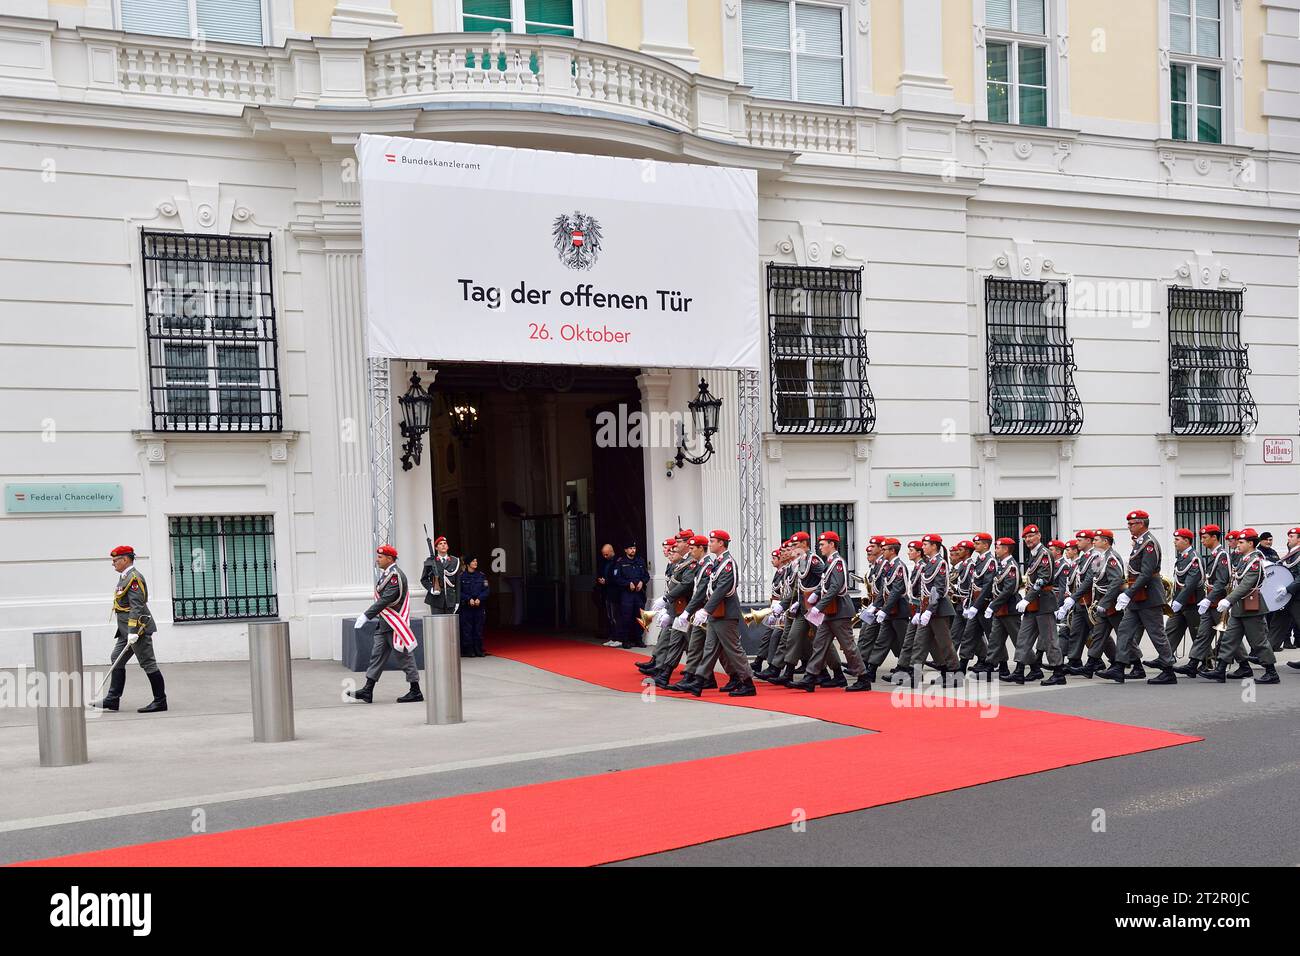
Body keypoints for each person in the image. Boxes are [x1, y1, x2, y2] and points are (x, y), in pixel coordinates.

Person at [1100, 509, 1177, 685]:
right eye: (1128, 524)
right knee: (1125, 631)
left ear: (1141, 523)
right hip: (1137, 595)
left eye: (1131, 524)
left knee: (1156, 633)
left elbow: (1147, 572)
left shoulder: (1149, 543)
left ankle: (1168, 669)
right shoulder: (1140, 542)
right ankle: (1119, 667)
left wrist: (1127, 593)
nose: (1129, 527)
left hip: (1149, 595)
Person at [677, 530, 756, 697]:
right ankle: (698, 681)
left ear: (721, 543)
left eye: (712, 541)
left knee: (734, 649)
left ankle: (748, 683)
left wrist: (705, 610)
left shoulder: (728, 563)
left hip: (726, 614)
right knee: (710, 648)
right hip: (717, 613)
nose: (710, 543)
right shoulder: (718, 563)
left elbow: (722, 589)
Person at [90, 545, 168, 713]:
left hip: (137, 629)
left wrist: (133, 631)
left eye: (115, 560)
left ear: (125, 560)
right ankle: (112, 699)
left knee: (148, 663)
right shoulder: (124, 577)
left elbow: (137, 606)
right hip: (126, 631)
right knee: (116, 657)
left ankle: (160, 701)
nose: (113, 564)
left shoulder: (133, 578)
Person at [791, 531, 871, 692]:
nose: (819, 547)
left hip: (840, 611)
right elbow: (825, 582)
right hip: (829, 611)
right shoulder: (829, 562)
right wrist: (816, 593)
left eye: (822, 544)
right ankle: (810, 677)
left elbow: (835, 586)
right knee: (819, 644)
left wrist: (818, 607)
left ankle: (863, 678)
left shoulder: (837, 562)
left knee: (848, 646)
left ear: (832, 544)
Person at [1201, 529, 1280, 684]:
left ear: (1250, 543)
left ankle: (1271, 672)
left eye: (1241, 542)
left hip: (1251, 607)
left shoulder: (1255, 561)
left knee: (1258, 642)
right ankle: (1220, 670)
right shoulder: (1244, 559)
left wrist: (1228, 600)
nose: (1238, 544)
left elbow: (1246, 585)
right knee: (1229, 639)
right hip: (1239, 607)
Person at [348, 544, 423, 704]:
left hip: (395, 624)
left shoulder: (395, 576)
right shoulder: (386, 575)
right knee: (376, 656)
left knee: (404, 657)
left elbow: (386, 599)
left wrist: (366, 615)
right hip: (384, 624)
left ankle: (415, 690)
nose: (377, 559)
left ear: (390, 559)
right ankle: (368, 690)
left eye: (380, 557)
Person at [1175, 524, 1232, 677]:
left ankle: (1245, 664)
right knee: (1203, 634)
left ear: (1214, 537)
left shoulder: (1221, 555)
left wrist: (1208, 599)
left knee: (1231, 636)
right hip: (1210, 602)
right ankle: (1193, 664)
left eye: (1205, 538)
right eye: (1201, 538)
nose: (1202, 541)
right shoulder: (1214, 555)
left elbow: (1221, 581)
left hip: (1218, 602)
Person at [910, 533, 960, 685]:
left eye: (926, 545)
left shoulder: (940, 563)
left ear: (934, 546)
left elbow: (938, 589)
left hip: (938, 610)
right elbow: (923, 589)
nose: (923, 547)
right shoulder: (929, 563)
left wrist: (930, 610)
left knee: (945, 644)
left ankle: (954, 675)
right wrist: (920, 611)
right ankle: (915, 675)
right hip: (926, 608)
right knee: (920, 642)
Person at [1162, 529, 1203, 664]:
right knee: (1171, 630)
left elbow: (1191, 583)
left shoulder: (1194, 558)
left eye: (1177, 539)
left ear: (1186, 540)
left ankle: (1205, 661)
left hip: (1192, 603)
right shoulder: (1183, 557)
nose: (1174, 542)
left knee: (1197, 634)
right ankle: (1165, 658)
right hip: (1180, 603)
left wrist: (1179, 601)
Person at [1267, 526, 1300, 652]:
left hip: (1296, 597)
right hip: (1286, 597)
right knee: (1277, 624)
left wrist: (1288, 589)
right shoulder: (1291, 554)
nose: (1288, 539)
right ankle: (1265, 655)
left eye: (1292, 536)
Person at [611, 542, 649, 648]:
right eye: (630, 548)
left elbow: (646, 575)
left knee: (641, 616)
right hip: (626, 594)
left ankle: (638, 639)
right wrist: (627, 584)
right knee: (626, 617)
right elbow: (616, 578)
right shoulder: (620, 562)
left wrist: (642, 581)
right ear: (625, 550)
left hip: (639, 594)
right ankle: (626, 640)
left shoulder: (640, 561)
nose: (633, 550)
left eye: (634, 548)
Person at [420, 535, 461, 615]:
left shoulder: (455, 561)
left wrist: (457, 601)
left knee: (449, 625)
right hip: (436, 600)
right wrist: (432, 589)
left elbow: (457, 582)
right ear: (436, 548)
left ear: (447, 546)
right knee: (437, 625)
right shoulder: (430, 561)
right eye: (440, 544)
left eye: (445, 543)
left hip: (451, 599)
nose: (443, 545)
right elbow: (424, 579)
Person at [459, 555, 489, 657]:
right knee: (467, 629)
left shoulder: (481, 576)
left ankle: (478, 649)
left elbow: (486, 590)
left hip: (479, 607)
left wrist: (479, 598)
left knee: (478, 629)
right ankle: (469, 650)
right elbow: (458, 592)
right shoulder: (461, 576)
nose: (475, 563)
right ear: (468, 564)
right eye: (473, 561)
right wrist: (468, 599)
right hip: (467, 607)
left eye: (476, 561)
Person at [594, 543, 616, 641]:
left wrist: (607, 581)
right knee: (609, 616)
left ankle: (617, 637)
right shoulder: (604, 562)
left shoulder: (617, 562)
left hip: (615, 593)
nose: (605, 556)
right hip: (605, 592)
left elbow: (617, 578)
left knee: (615, 616)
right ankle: (611, 636)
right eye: (603, 554)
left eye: (606, 554)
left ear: (611, 552)